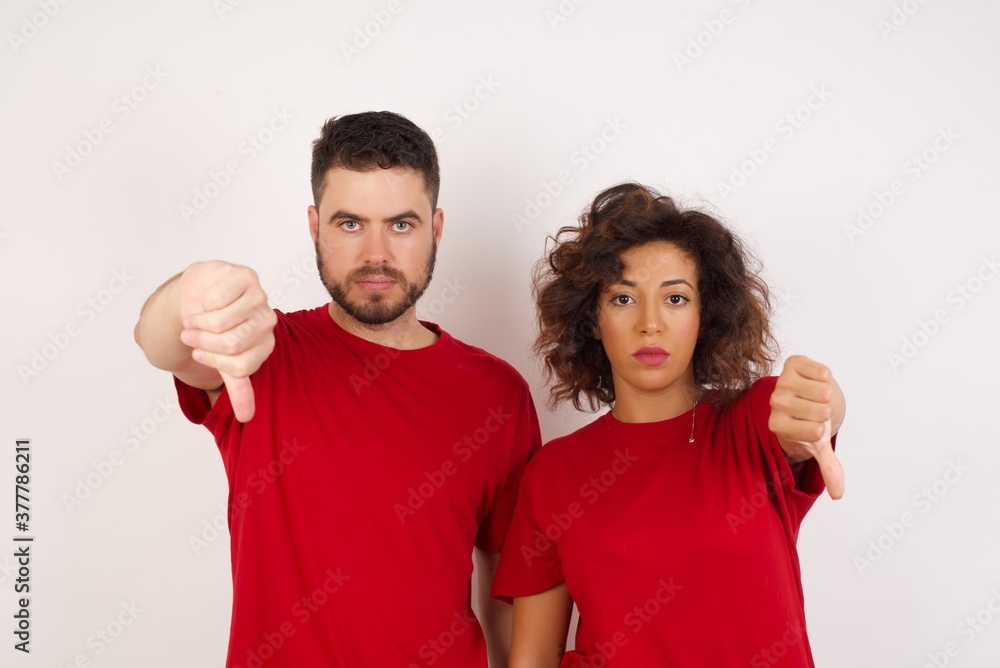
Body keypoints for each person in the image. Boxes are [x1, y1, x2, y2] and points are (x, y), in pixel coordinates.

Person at [134, 111, 541, 667]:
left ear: (436, 227)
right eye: (350, 223)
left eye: (401, 225)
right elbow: (161, 344)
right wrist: (188, 298)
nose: (376, 253)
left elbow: (507, 590)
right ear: (314, 225)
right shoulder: (262, 353)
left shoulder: (497, 394)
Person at [491, 183, 846, 667]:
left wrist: (820, 404)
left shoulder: (755, 420)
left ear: (705, 314)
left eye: (675, 298)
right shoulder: (554, 473)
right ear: (592, 319)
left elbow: (810, 416)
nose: (650, 323)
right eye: (623, 299)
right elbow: (533, 657)